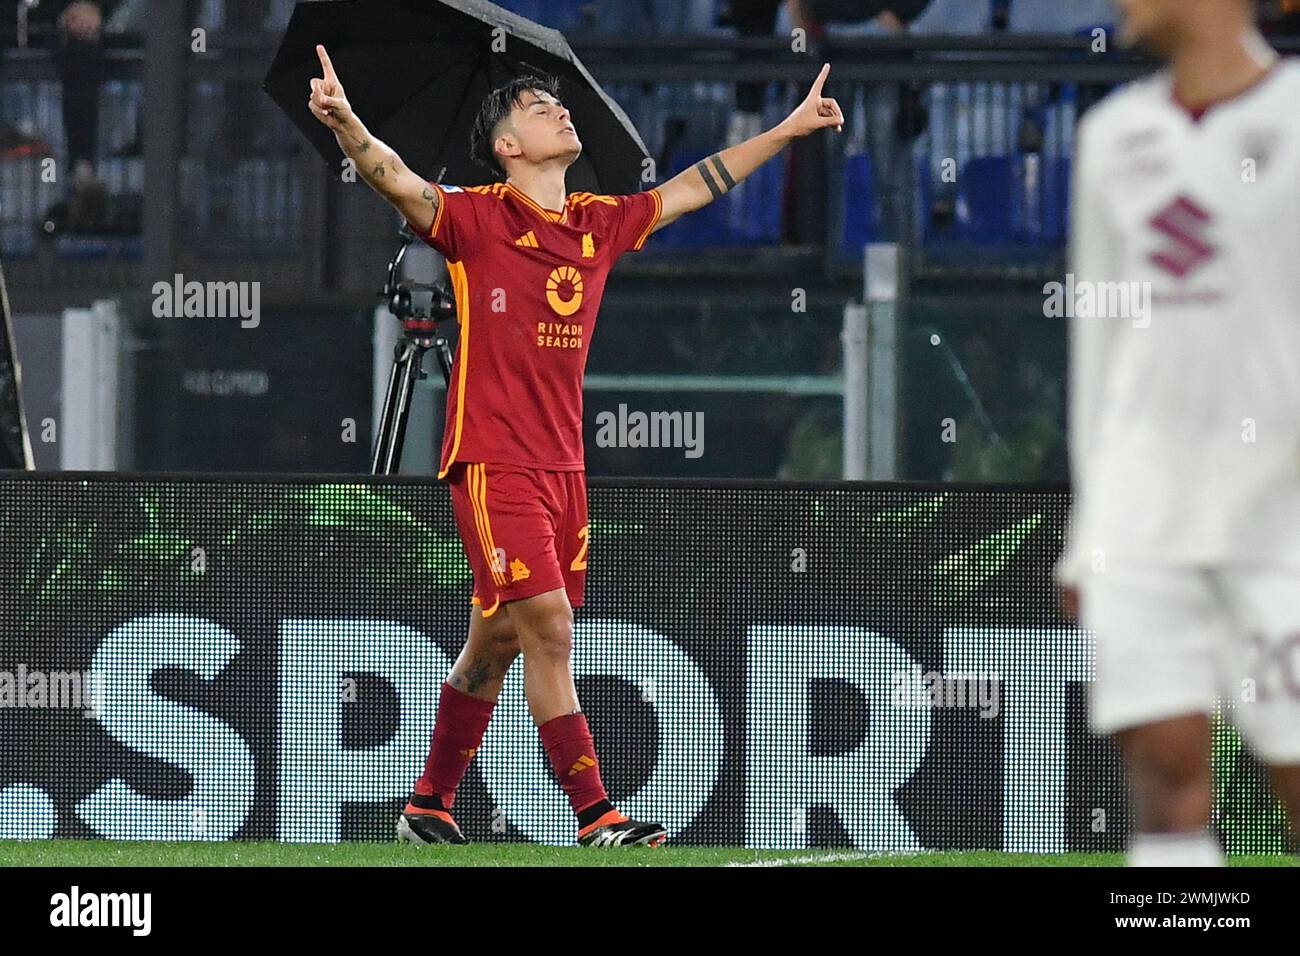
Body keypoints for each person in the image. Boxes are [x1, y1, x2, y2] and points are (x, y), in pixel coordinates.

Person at [308, 44, 843, 847]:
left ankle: (427, 804)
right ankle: (596, 815)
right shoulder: (478, 217)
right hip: (494, 459)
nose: (560, 111)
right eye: (537, 108)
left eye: (557, 105)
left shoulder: (598, 222)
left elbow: (694, 185)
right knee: (550, 628)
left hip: (566, 468)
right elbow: (396, 178)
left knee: (493, 644)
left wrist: (787, 130)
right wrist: (348, 123)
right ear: (507, 147)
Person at [1057, 0, 1300, 865]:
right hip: (1145, 522)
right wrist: (1088, 539)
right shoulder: (1112, 138)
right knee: (1165, 795)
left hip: (1282, 525)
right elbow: (1100, 346)